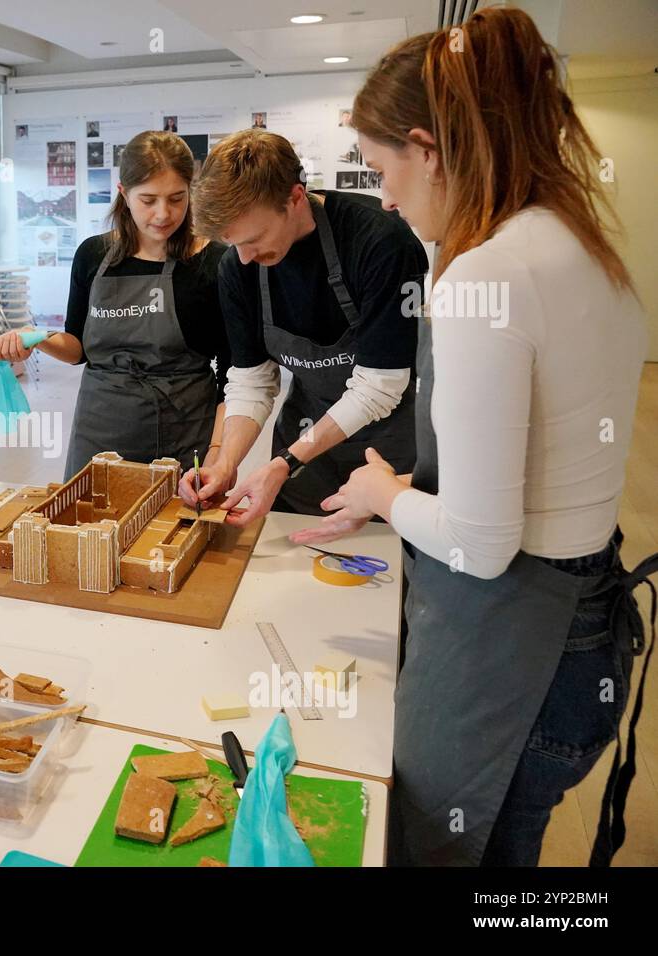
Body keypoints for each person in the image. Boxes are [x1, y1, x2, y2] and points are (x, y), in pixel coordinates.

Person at [296, 6, 656, 865]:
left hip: (520, 651)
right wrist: (390, 495)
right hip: (583, 622)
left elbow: (485, 543)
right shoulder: (577, 240)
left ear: (428, 148)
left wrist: (388, 495)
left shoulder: (484, 273)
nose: (381, 195)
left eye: (382, 168)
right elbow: (537, 454)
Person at [180, 130, 427, 524]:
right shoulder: (238, 267)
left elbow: (380, 385)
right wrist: (225, 462)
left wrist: (284, 461)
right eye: (233, 244)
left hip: (386, 452)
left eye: (255, 239)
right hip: (304, 439)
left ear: (295, 198)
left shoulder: (378, 240)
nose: (244, 259)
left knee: (378, 571)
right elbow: (251, 381)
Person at [0, 131, 229, 476]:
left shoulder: (214, 262)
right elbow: (78, 349)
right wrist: (36, 337)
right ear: (124, 194)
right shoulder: (94, 255)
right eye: (148, 200)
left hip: (185, 429)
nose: (164, 214)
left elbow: (233, 372)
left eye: (177, 198)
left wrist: (218, 450)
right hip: (101, 430)